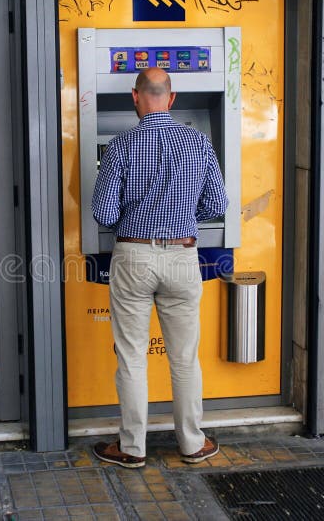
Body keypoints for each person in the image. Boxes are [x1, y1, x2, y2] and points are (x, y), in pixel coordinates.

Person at [91, 67, 229, 468]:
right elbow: (216, 206)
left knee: (132, 356)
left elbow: (103, 211)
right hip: (183, 256)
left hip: (134, 256)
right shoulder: (198, 142)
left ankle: (132, 448)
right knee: (185, 357)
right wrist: (183, 219)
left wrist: (134, 221)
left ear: (136, 98)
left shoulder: (120, 146)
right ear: (171, 98)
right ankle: (192, 444)